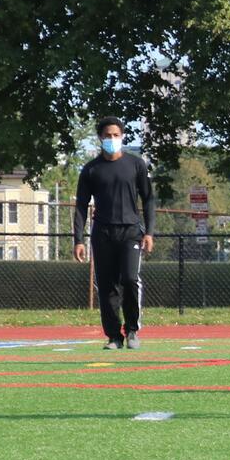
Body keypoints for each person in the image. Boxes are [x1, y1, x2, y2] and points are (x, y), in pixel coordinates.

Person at [73, 117, 155, 350]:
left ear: (122, 137)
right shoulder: (91, 169)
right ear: (100, 138)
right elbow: (81, 205)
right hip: (102, 233)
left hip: (131, 231)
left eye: (116, 135)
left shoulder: (136, 164)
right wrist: (79, 240)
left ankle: (132, 330)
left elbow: (148, 199)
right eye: (107, 135)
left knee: (129, 279)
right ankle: (114, 336)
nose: (112, 139)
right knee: (107, 285)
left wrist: (149, 232)